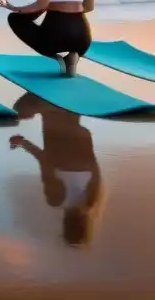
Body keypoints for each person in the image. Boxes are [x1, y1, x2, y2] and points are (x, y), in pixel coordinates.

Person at [9, 93, 105, 247]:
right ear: (64, 224)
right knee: (20, 110)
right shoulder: (56, 200)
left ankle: (64, 92)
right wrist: (23, 143)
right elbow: (45, 162)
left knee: (67, 105)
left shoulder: (91, 200)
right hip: (58, 138)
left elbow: (95, 167)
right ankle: (47, 99)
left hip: (81, 137)